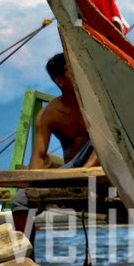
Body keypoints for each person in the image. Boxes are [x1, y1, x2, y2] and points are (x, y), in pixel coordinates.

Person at [12, 53, 96, 233]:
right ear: (60, 81)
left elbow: (112, 142)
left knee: (99, 140)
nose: (80, 73)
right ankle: (24, 250)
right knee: (19, 200)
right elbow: (38, 155)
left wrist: (86, 171)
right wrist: (33, 188)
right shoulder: (50, 113)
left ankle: (84, 169)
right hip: (71, 170)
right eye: (73, 71)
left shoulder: (97, 103)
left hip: (102, 168)